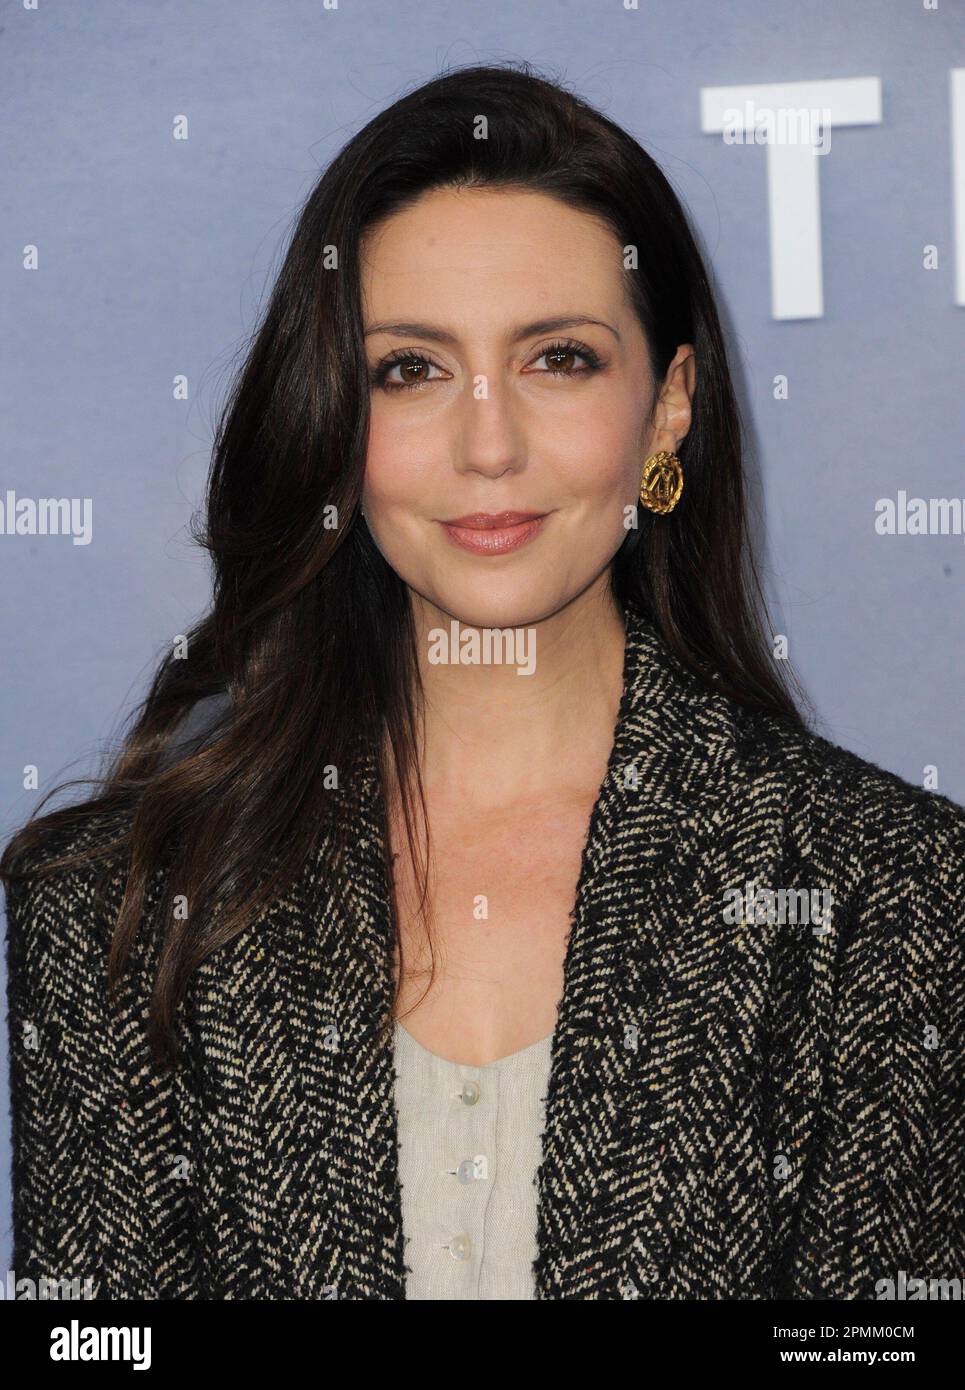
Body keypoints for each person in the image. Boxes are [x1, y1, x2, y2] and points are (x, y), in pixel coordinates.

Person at [3, 61, 963, 1302]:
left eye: (557, 358)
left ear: (666, 409)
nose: (488, 442)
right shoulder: (116, 905)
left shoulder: (894, 896)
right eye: (410, 368)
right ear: (333, 415)